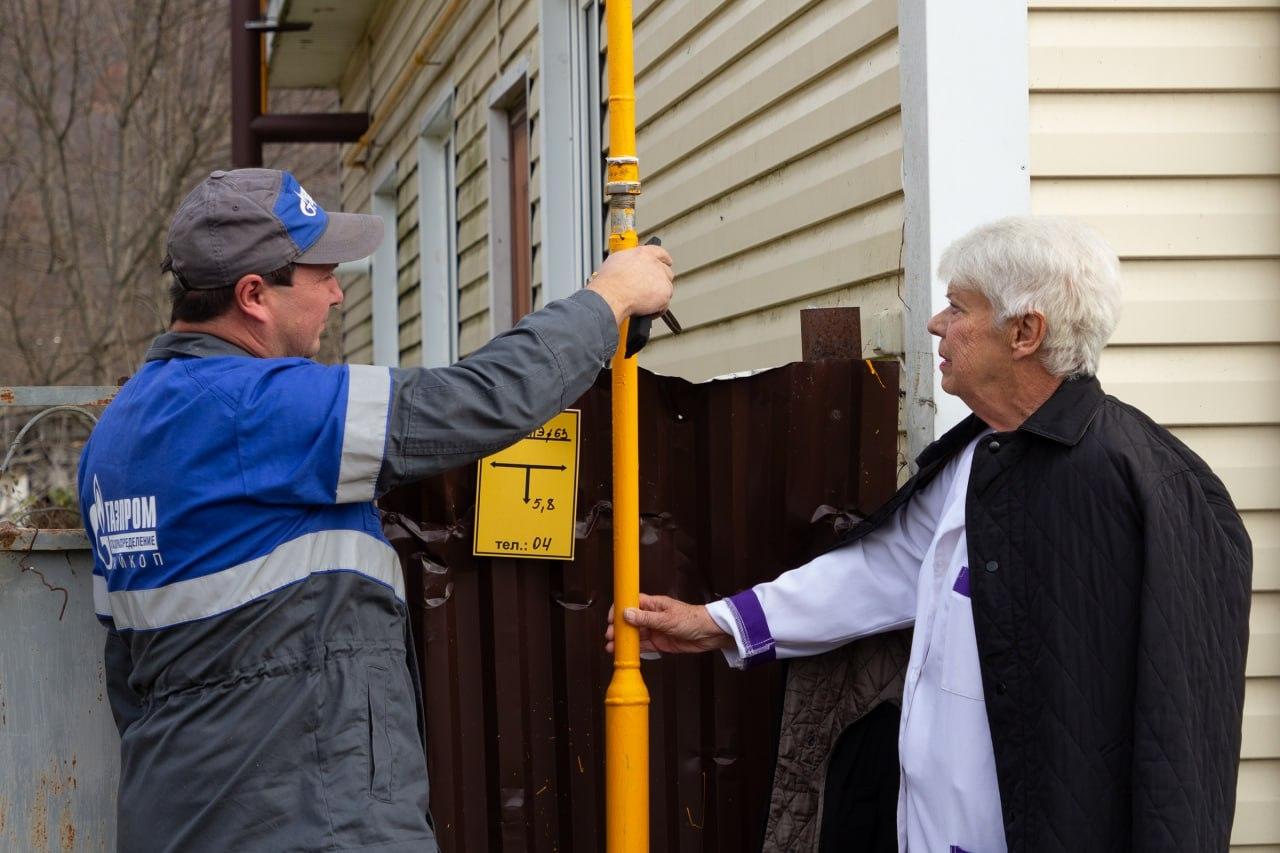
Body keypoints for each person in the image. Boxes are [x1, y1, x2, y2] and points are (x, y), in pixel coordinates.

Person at [609, 216, 1252, 852]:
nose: (935, 324)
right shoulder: (980, 455)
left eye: (956, 307)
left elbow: (1180, 727)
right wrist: (717, 622)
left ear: (1025, 332)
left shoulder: (1146, 485)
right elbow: (882, 570)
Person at [78, 167, 674, 852]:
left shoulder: (115, 440)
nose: (336, 292)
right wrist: (610, 298)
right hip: (308, 825)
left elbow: (127, 674)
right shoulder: (261, 406)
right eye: (320, 273)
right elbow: (477, 402)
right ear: (253, 296)